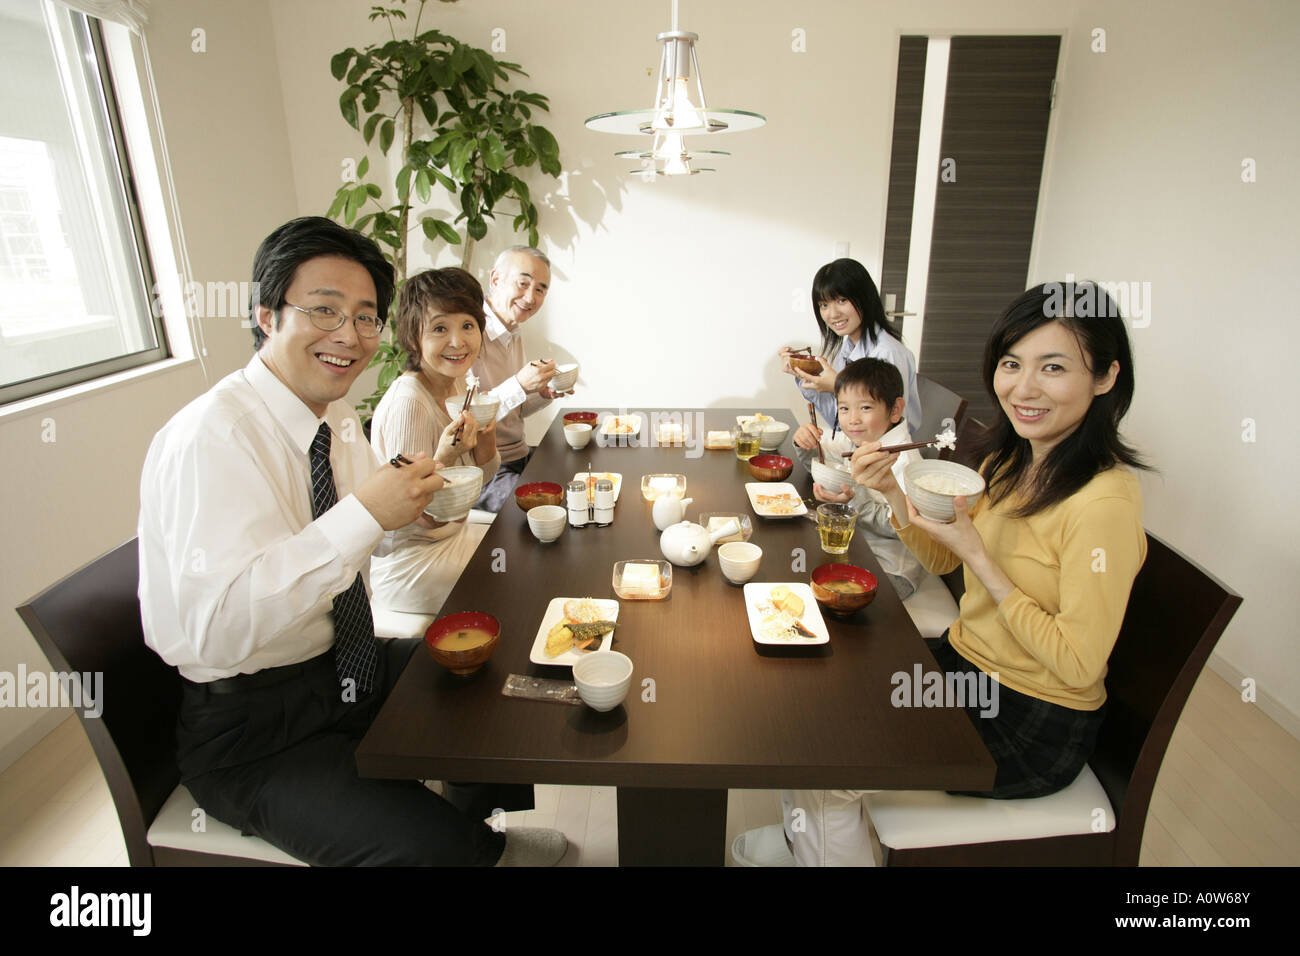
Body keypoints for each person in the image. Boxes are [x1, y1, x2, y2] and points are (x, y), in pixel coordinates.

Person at [138, 216, 565, 866]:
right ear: (265, 314)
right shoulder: (212, 439)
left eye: (366, 317)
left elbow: (411, 517)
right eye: (324, 311)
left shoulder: (334, 417)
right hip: (256, 730)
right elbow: (216, 632)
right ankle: (457, 846)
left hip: (345, 669)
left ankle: (480, 836)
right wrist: (365, 513)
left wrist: (451, 461)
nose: (350, 335)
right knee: (425, 851)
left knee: (495, 681)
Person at [738, 280, 1148, 866]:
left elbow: (1078, 662)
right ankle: (803, 841)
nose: (1023, 388)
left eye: (1053, 368)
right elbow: (943, 560)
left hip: (1031, 716)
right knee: (812, 706)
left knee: (827, 763)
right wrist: (892, 493)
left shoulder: (1104, 502)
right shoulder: (1012, 460)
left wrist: (982, 556)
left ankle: (816, 841)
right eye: (1012, 364)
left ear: (1106, 377)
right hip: (964, 666)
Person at [369, 268, 499, 615]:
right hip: (410, 562)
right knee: (518, 574)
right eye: (440, 328)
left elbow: (480, 481)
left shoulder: (456, 385)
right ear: (413, 336)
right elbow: (417, 517)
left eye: (467, 326)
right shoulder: (409, 403)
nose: (458, 342)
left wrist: (486, 439)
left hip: (451, 535)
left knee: (529, 545)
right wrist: (445, 455)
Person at [789, 357, 928, 601]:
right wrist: (805, 441)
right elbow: (822, 457)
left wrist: (853, 504)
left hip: (890, 570)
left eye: (865, 408)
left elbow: (901, 528)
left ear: (895, 410)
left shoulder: (906, 462)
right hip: (856, 548)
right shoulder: (860, 439)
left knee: (802, 589)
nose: (852, 419)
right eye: (844, 408)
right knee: (789, 558)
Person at [470, 245, 571, 511]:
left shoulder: (512, 332)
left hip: (519, 455)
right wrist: (520, 384)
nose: (530, 297)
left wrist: (543, 393)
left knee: (580, 478)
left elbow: (515, 409)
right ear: (495, 279)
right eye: (523, 283)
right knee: (554, 508)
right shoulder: (468, 331)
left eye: (540, 289)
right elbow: (467, 418)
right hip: (484, 470)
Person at [779, 258, 922, 437]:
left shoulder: (887, 354)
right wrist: (801, 372)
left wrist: (840, 386)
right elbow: (839, 420)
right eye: (824, 305)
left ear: (865, 297)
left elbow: (886, 431)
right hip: (852, 447)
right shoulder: (849, 347)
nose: (832, 314)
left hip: (883, 457)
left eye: (842, 300)